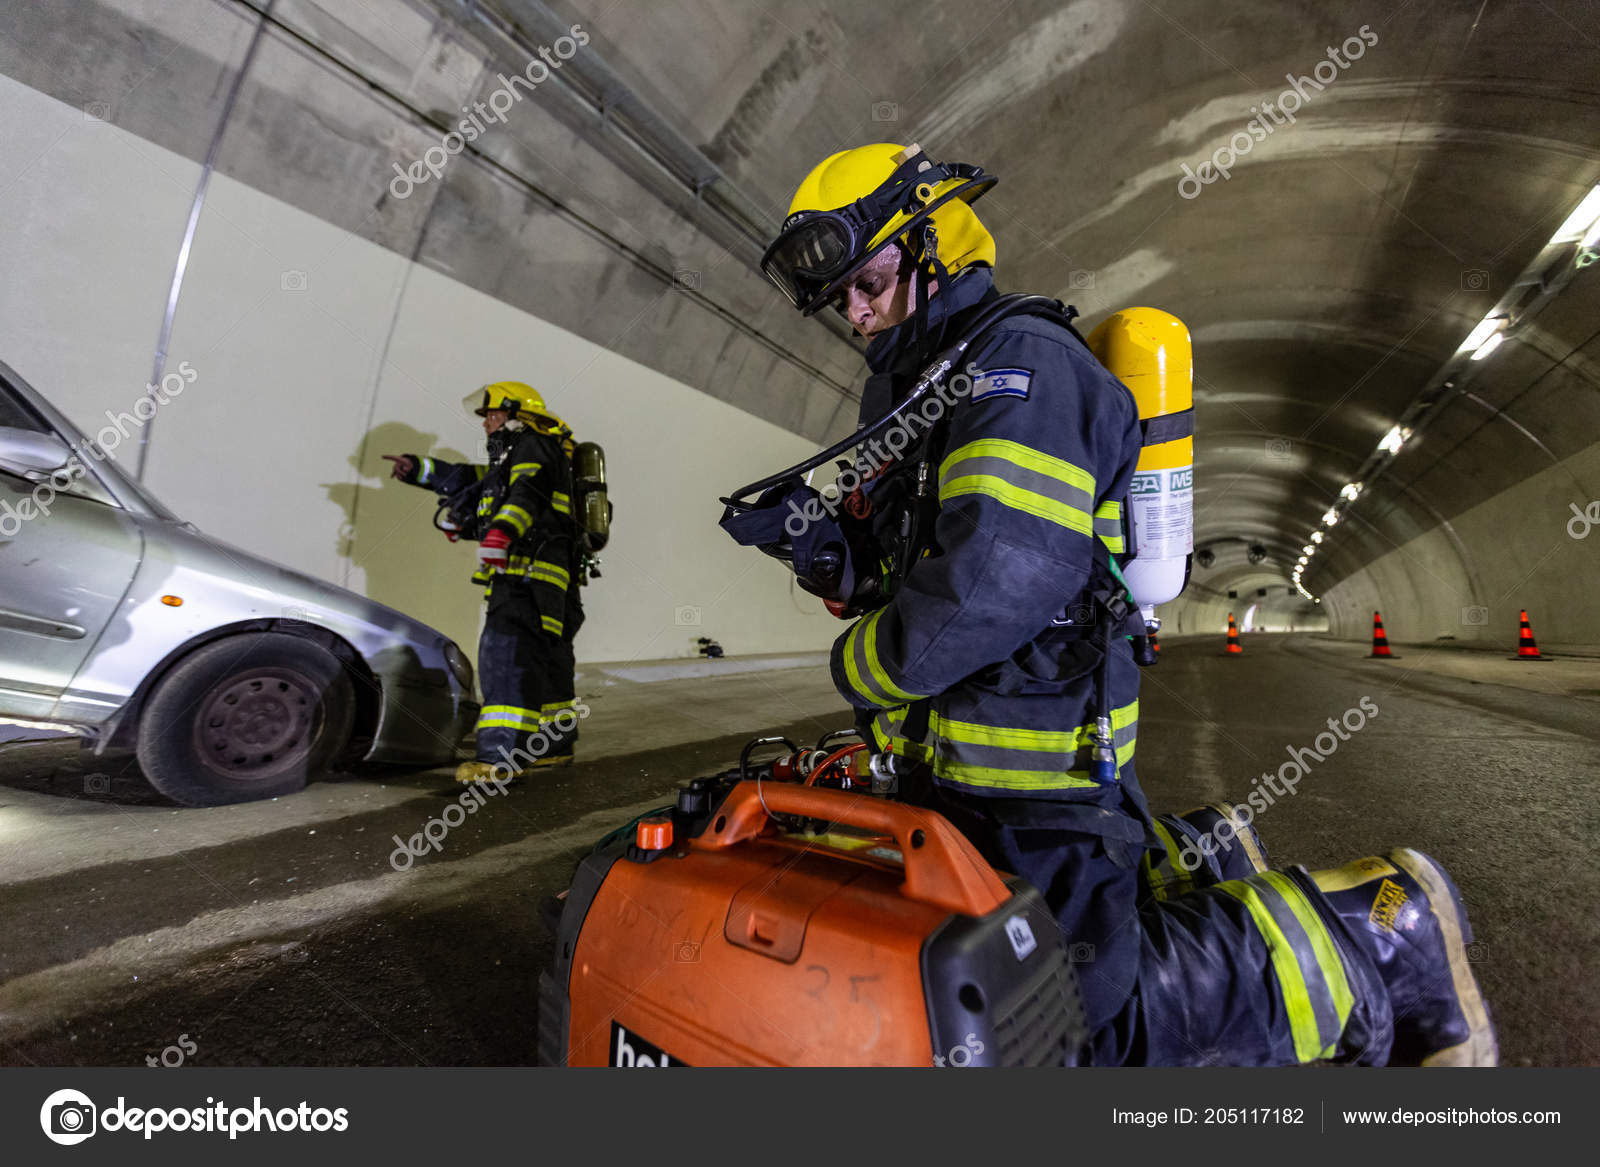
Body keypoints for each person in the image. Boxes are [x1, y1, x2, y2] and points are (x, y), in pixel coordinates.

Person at [738, 142, 1496, 1066]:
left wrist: (856, 664)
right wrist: (829, 553)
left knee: (1082, 1028)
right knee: (1009, 987)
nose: (856, 313)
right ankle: (1208, 859)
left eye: (871, 281)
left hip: (1039, 765)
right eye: (841, 298)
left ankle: (1381, 930)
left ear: (934, 241)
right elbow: (919, 563)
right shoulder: (912, 387)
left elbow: (1000, 573)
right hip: (955, 765)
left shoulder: (1021, 365)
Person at [385, 381, 584, 781]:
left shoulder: (530, 445)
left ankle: (498, 757)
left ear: (516, 414)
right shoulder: (538, 452)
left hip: (523, 574)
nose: (486, 424)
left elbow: (528, 491)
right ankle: (553, 746)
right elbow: (474, 483)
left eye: (492, 415)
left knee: (506, 657)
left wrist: (501, 533)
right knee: (548, 662)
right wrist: (420, 469)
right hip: (554, 580)